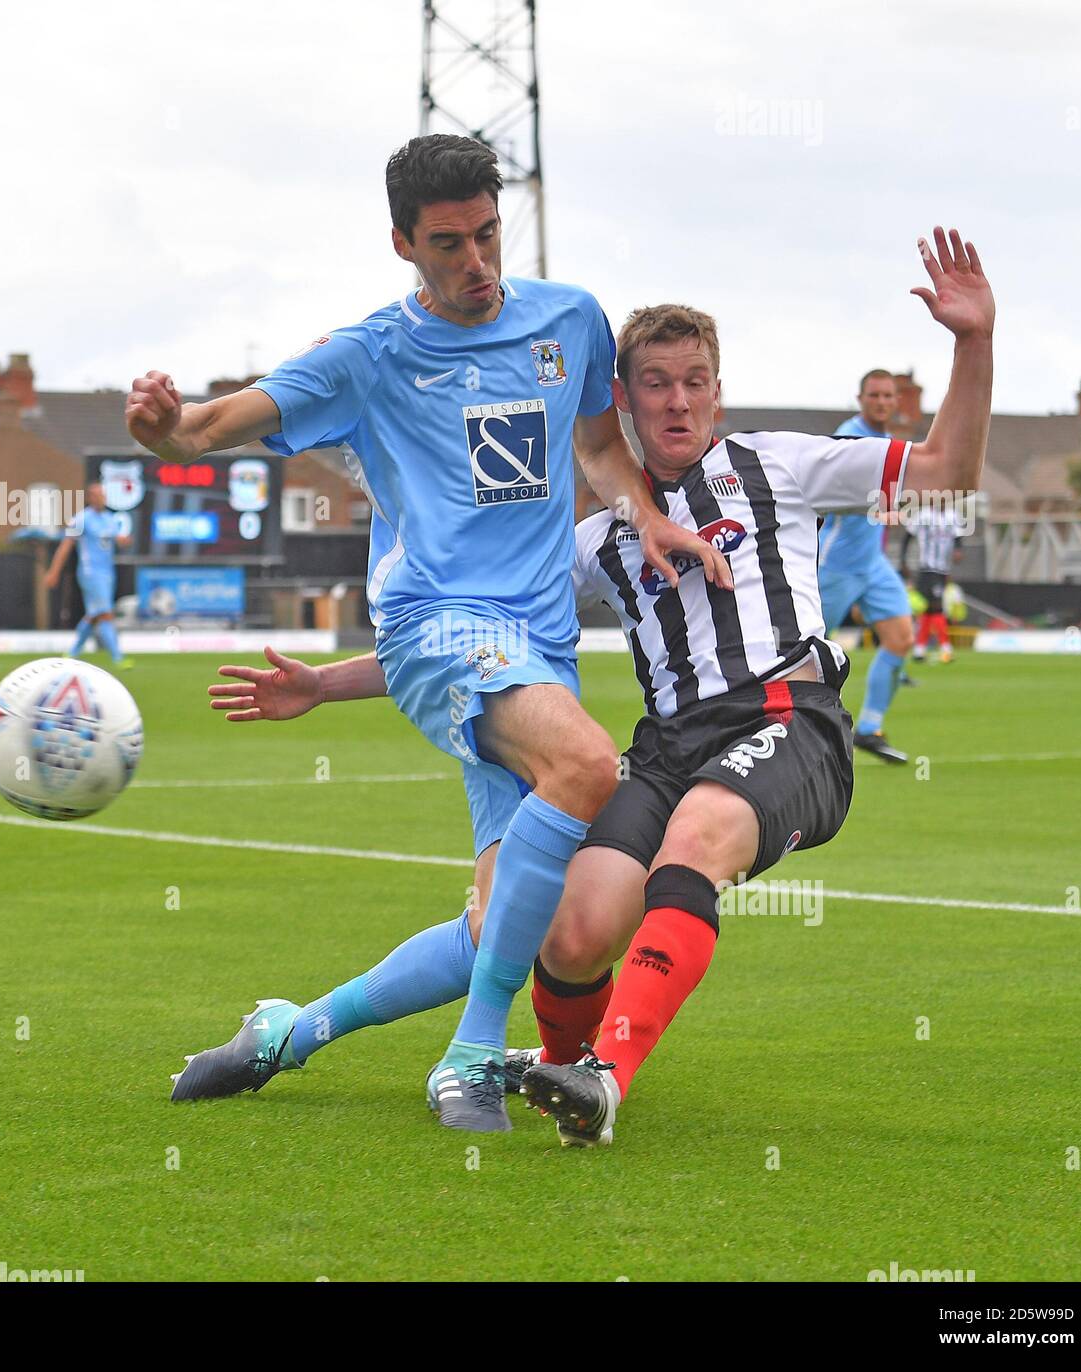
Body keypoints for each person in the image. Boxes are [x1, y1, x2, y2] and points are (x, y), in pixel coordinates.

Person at [212, 228, 995, 1148]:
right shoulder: (592, 541)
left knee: (697, 839)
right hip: (666, 746)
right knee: (569, 928)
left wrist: (972, 342)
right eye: (655, 383)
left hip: (789, 717)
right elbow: (478, 644)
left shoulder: (776, 465)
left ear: (718, 389)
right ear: (620, 399)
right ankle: (553, 1070)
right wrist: (323, 685)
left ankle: (605, 1078)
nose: (678, 400)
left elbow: (949, 471)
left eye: (695, 380)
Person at [132, 134, 726, 1132]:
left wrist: (643, 510)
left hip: (535, 649)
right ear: (403, 242)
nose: (477, 264)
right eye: (448, 244)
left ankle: (290, 1029)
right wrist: (167, 428)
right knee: (588, 766)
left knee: (505, 919)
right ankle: (469, 1053)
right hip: (434, 625)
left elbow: (595, 447)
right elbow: (211, 425)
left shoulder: (568, 319)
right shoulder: (371, 355)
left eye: (489, 236)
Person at [816, 370, 916, 762]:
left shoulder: (890, 443)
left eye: (888, 395)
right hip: (835, 564)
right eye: (874, 395)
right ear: (861, 398)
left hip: (872, 564)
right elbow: (823, 495)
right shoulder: (848, 437)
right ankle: (781, 731)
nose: (881, 401)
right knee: (804, 653)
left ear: (895, 401)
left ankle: (870, 728)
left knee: (902, 638)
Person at [44, 483, 132, 668]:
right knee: (106, 614)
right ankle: (118, 658)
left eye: (103, 494)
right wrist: (54, 572)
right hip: (91, 573)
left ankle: (72, 653)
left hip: (108, 573)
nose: (102, 498)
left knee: (93, 615)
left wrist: (124, 541)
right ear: (90, 498)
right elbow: (66, 546)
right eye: (98, 495)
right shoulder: (81, 519)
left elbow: (118, 540)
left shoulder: (110, 519)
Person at [907, 502, 966, 662]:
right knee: (937, 608)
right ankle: (946, 649)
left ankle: (919, 650)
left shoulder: (952, 515)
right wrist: (904, 563)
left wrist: (958, 551)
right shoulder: (923, 514)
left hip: (942, 570)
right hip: (927, 568)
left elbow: (958, 537)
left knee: (928, 610)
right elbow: (908, 536)